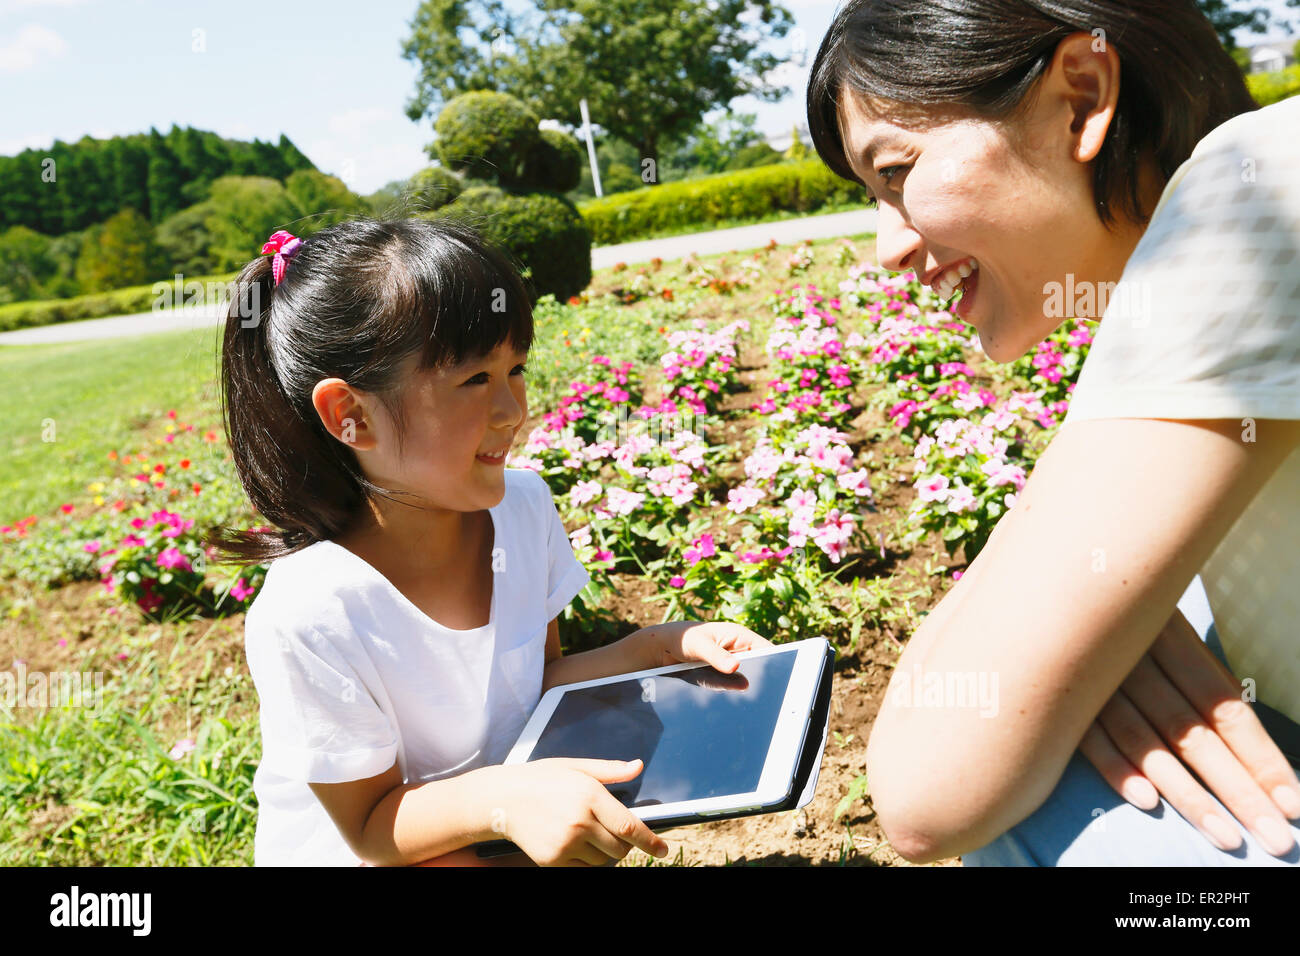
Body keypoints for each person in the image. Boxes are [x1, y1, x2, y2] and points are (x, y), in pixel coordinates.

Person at [806, 0, 1300, 864]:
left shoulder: (1248, 191)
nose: (888, 244)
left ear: (1080, 97)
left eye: (897, 172)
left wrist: (1052, 643)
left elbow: (928, 795)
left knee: (1045, 800)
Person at [206, 217, 771, 866]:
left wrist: (662, 647)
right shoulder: (311, 609)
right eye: (475, 380)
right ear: (350, 416)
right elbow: (369, 826)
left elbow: (539, 687)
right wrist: (505, 803)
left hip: (489, 827)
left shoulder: (524, 507)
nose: (513, 410)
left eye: (517, 369)